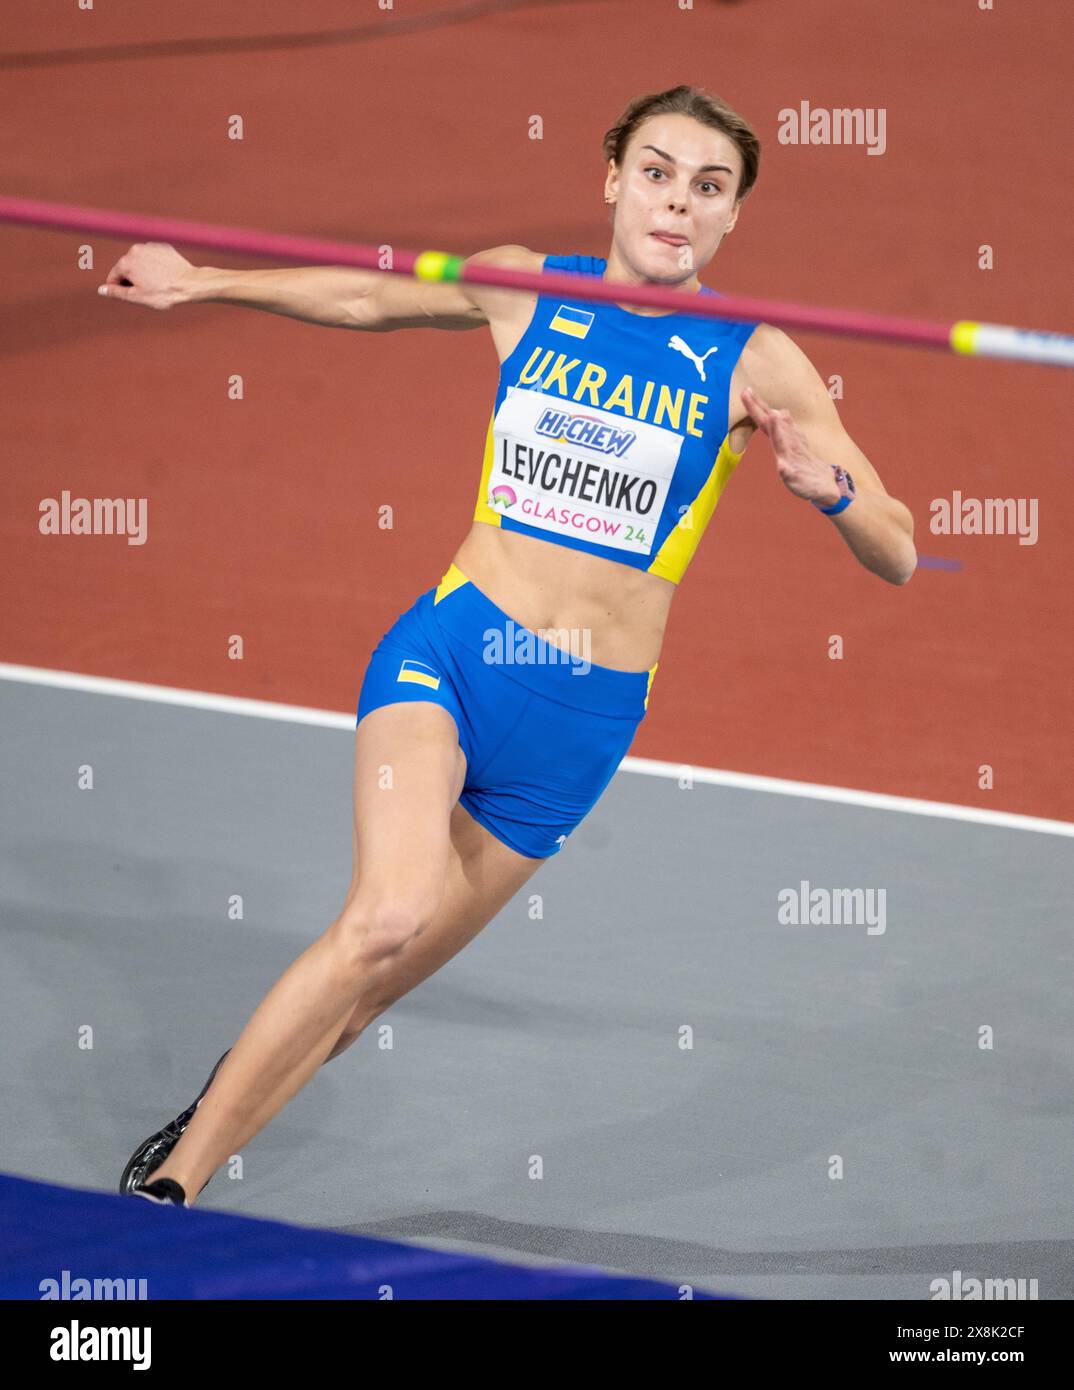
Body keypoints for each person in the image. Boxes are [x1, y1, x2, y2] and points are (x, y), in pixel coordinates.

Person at [104, 84, 916, 1208]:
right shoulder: (521, 284)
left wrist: (833, 494)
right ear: (612, 181)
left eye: (709, 188)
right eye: (658, 172)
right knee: (383, 914)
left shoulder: (755, 359)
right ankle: (177, 1189)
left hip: (579, 728)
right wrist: (206, 280)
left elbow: (902, 548)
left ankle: (220, 1102)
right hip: (453, 655)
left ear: (733, 220)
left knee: (375, 985)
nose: (678, 203)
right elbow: (364, 299)